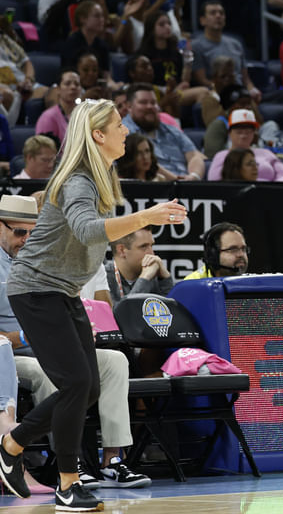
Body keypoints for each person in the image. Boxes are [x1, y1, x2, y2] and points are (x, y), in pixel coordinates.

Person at [0, 101, 184, 509]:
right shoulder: (80, 179)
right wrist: (145, 216)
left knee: (88, 386)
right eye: (119, 125)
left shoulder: (101, 175)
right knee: (76, 384)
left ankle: (12, 444)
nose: (125, 130)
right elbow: (86, 230)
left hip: (62, 290)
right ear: (98, 135)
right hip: (35, 289)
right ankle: (67, 483)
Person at [122, 83, 205, 179]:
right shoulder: (123, 132)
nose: (150, 106)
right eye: (143, 102)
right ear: (129, 106)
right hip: (155, 187)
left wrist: (194, 176)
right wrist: (176, 182)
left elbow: (194, 155)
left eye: (153, 103)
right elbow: (144, 165)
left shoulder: (171, 130)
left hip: (186, 186)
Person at [207, 108, 283, 181]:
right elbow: (215, 181)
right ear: (230, 133)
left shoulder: (267, 153)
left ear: (254, 134)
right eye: (239, 132)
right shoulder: (221, 156)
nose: (243, 136)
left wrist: (273, 189)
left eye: (248, 132)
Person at [104, 225, 173, 303]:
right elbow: (123, 313)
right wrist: (144, 279)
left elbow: (172, 312)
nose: (151, 253)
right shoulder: (103, 279)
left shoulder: (154, 277)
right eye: (143, 247)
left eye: (151, 246)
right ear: (122, 250)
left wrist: (165, 279)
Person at [182, 222, 250, 280]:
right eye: (233, 249)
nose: (241, 254)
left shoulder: (252, 283)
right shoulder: (192, 285)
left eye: (243, 249)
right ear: (213, 255)